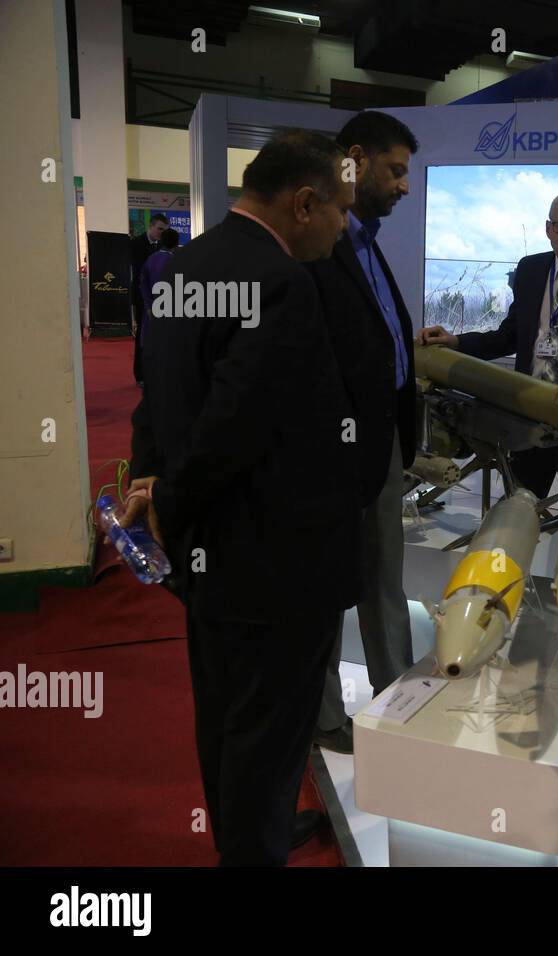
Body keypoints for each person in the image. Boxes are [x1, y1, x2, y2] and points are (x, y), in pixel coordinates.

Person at [123, 129, 360, 865]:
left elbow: (153, 398)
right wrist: (173, 498)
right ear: (303, 201)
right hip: (275, 566)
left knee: (226, 721)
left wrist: (152, 485)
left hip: (210, 561)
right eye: (340, 210)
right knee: (266, 735)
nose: (343, 225)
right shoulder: (282, 282)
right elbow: (237, 421)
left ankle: (241, 842)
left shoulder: (187, 264)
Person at [305, 111, 421, 755]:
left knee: (384, 580)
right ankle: (324, 717)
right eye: (397, 170)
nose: (405, 186)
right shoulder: (318, 243)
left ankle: (398, 700)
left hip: (380, 442)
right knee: (326, 582)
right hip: (331, 451)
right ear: (356, 158)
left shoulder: (366, 240)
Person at [419, 192, 558, 511]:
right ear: (548, 228)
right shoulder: (531, 270)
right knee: (519, 507)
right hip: (529, 412)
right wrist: (455, 341)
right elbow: (509, 335)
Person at [129, 213, 167, 384]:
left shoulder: (161, 247)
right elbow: (139, 274)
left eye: (164, 230)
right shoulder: (136, 244)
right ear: (150, 226)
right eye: (159, 229)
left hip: (158, 297)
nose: (161, 232)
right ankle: (140, 375)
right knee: (141, 338)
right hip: (141, 297)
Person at [137, 227, 180, 352]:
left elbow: (143, 284)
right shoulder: (176, 261)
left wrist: (149, 306)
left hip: (151, 310)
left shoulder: (151, 259)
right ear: (176, 243)